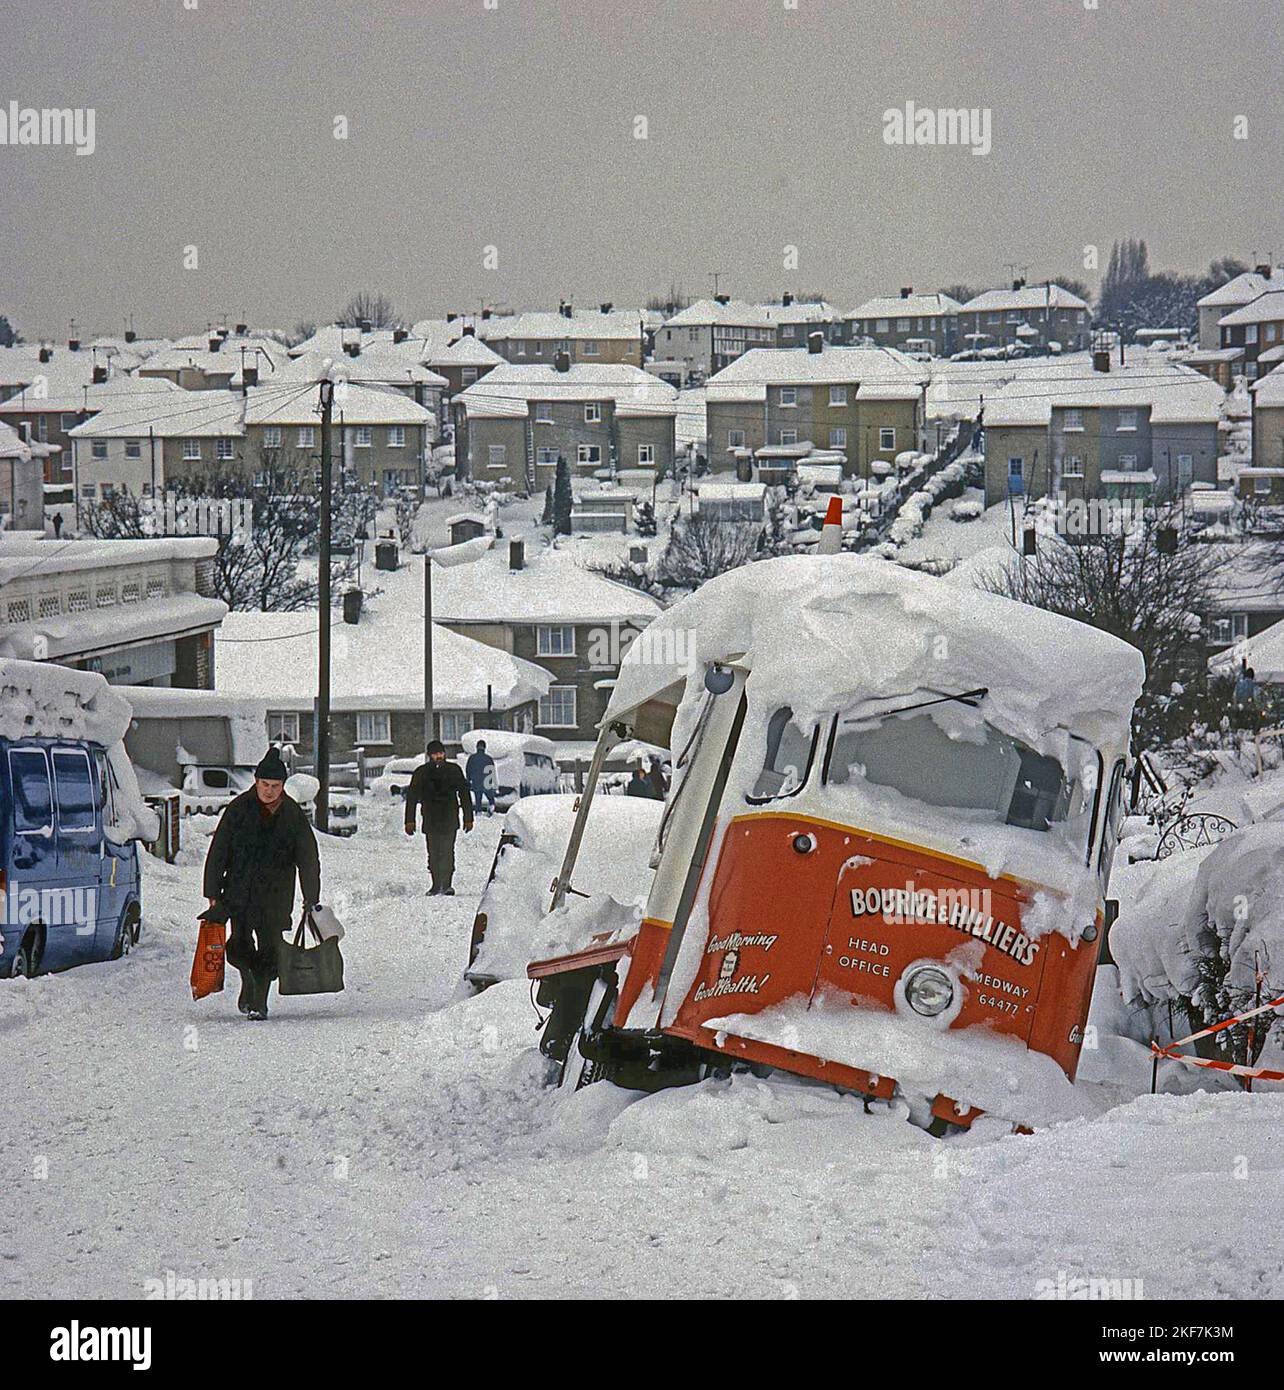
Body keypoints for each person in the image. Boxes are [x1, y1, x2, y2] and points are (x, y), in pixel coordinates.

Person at [202, 747, 321, 1021]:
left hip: (275, 894)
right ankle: (248, 977)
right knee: (239, 944)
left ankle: (260, 1000)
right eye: (264, 784)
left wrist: (310, 895)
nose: (269, 791)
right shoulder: (239, 809)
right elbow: (219, 850)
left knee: (270, 947)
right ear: (256, 782)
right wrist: (212, 892)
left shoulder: (292, 815)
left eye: (275, 786)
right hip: (239, 890)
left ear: (283, 786)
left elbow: (308, 857)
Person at [404, 739, 473, 895]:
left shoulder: (454, 770)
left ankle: (447, 884)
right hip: (430, 819)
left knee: (448, 851)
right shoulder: (421, 773)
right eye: (435, 754)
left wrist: (468, 818)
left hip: (449, 818)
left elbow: (464, 794)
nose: (439, 756)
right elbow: (412, 797)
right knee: (433, 852)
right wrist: (409, 820)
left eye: (441, 753)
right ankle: (436, 885)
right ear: (430, 755)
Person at [465, 738, 497, 816]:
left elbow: (468, 769)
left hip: (476, 781)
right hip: (486, 781)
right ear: (485, 748)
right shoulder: (488, 758)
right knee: (490, 798)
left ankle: (478, 813)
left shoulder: (472, 758)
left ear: (477, 747)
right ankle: (491, 807)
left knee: (478, 799)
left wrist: (468, 779)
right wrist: (493, 782)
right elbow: (492, 770)